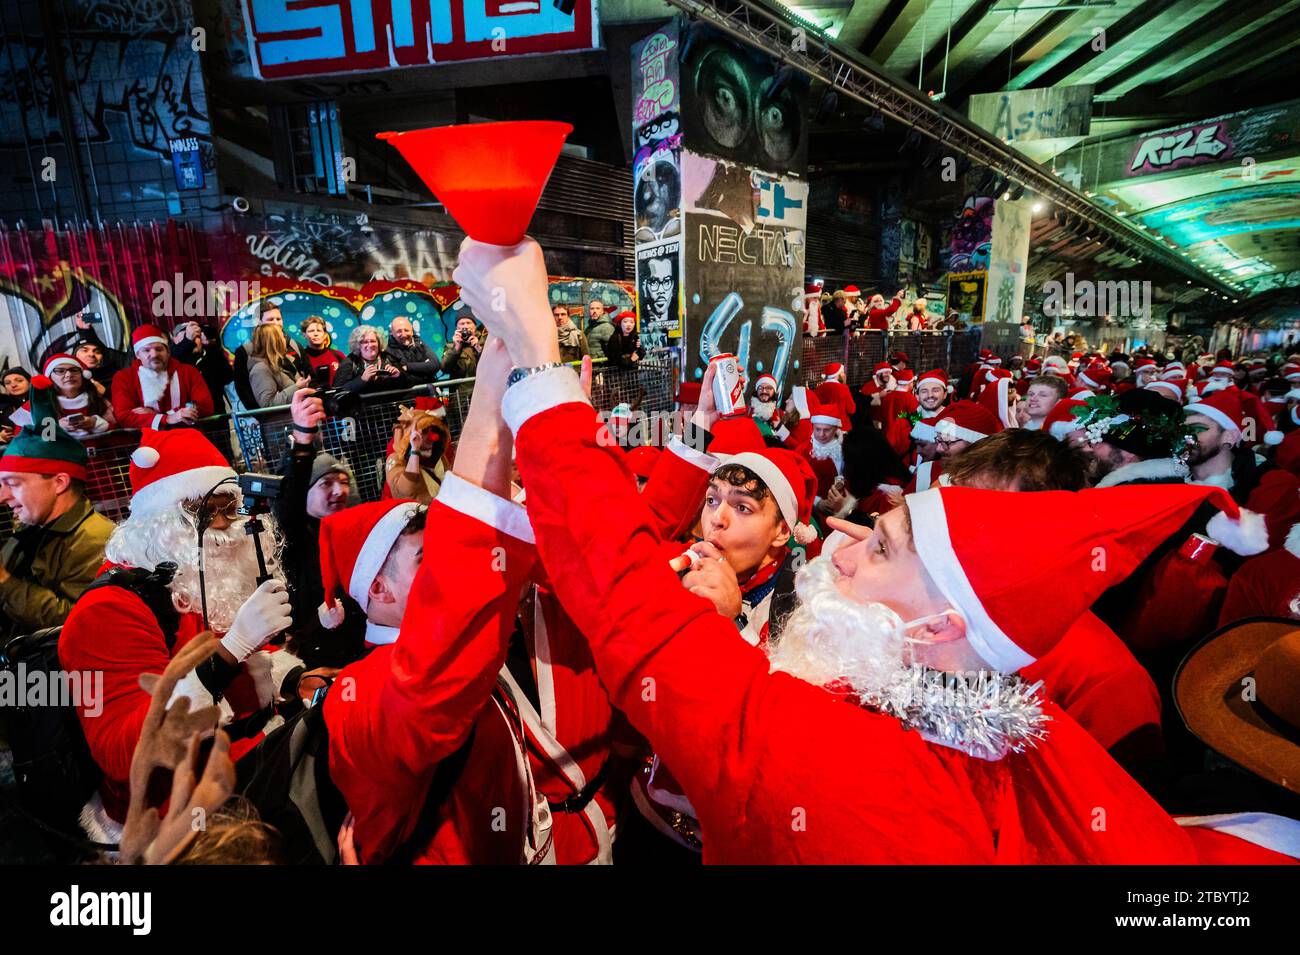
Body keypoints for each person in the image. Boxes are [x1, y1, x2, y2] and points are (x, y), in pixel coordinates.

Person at [455, 235, 1293, 864]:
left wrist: (538, 357)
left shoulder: (842, 763)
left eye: (886, 546)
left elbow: (630, 602)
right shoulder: (1017, 738)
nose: (846, 533)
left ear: (937, 628)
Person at [59, 428, 295, 842]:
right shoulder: (108, 611)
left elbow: (254, 660)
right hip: (172, 815)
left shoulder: (200, 580)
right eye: (207, 512)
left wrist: (291, 678)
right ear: (159, 522)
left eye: (231, 509)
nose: (226, 527)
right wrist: (229, 651)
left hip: (237, 761)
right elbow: (124, 752)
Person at [0, 379, 113, 637]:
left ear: (59, 482)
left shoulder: (95, 539)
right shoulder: (32, 527)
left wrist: (4, 582)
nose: (3, 497)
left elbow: (77, 621)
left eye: (13, 484)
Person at [273, 389, 359, 670]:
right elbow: (289, 498)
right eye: (326, 483)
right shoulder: (295, 534)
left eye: (344, 481)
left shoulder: (352, 531)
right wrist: (302, 442)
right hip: (318, 658)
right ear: (306, 493)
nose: (339, 490)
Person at [111, 325, 215, 430]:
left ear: (168, 351)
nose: (154, 354)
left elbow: (205, 407)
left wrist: (160, 415)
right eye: (146, 350)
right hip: (147, 443)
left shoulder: (188, 372)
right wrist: (167, 418)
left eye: (159, 349)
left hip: (188, 437)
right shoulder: (124, 378)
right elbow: (123, 417)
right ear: (138, 354)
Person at [232, 303, 302, 410]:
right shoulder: (245, 352)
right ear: (260, 322)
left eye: (278, 319)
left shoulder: (294, 345)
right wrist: (260, 416)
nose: (276, 323)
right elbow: (244, 389)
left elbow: (306, 373)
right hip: (274, 418)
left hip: (298, 411)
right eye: (270, 319)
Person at [383, 406, 451, 504]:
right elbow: (405, 491)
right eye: (424, 431)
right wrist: (415, 449)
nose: (432, 436)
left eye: (433, 430)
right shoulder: (396, 458)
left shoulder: (437, 455)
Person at [42, 354, 116, 436]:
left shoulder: (99, 401)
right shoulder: (39, 405)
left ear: (83, 375)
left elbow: (119, 433)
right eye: (60, 371)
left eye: (74, 370)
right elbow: (34, 441)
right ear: (50, 377)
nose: (69, 375)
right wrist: (58, 427)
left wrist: (95, 423)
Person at [171, 323, 235, 414]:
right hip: (187, 418)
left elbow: (230, 383)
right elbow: (173, 359)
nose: (193, 338)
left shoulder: (214, 354)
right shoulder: (174, 358)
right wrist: (187, 341)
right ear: (175, 339)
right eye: (186, 334)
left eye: (197, 334)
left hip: (217, 416)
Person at [247, 323, 310, 409]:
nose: (286, 339)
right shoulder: (261, 369)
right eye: (283, 336)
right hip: (283, 421)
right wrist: (297, 387)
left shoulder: (281, 363)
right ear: (274, 341)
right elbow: (267, 404)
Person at [335, 325, 411, 395]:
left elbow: (409, 383)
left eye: (373, 341)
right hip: (361, 408)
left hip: (389, 407)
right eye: (365, 342)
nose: (370, 345)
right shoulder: (350, 363)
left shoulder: (390, 358)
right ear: (358, 345)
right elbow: (338, 391)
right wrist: (362, 380)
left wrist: (399, 376)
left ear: (379, 343)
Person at [386, 317, 442, 384]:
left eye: (406, 330)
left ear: (412, 331)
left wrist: (407, 367)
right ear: (392, 333)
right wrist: (424, 368)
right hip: (408, 394)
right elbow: (406, 380)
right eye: (399, 331)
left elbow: (435, 365)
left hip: (429, 391)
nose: (403, 334)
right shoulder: (389, 351)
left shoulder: (419, 343)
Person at [299, 316, 347, 387]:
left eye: (319, 330)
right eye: (311, 331)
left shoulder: (338, 355)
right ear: (304, 335)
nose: (316, 334)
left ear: (325, 335)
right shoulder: (300, 358)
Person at [440, 314, 484, 382]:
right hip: (461, 391)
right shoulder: (450, 346)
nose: (465, 326)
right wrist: (456, 348)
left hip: (483, 388)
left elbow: (493, 366)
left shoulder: (485, 342)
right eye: (462, 323)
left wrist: (478, 348)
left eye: (468, 323)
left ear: (475, 326)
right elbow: (445, 369)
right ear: (457, 328)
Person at [814, 362, 855, 432]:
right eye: (842, 373)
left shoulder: (818, 389)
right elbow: (851, 409)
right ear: (837, 375)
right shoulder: (843, 388)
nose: (844, 375)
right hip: (841, 427)